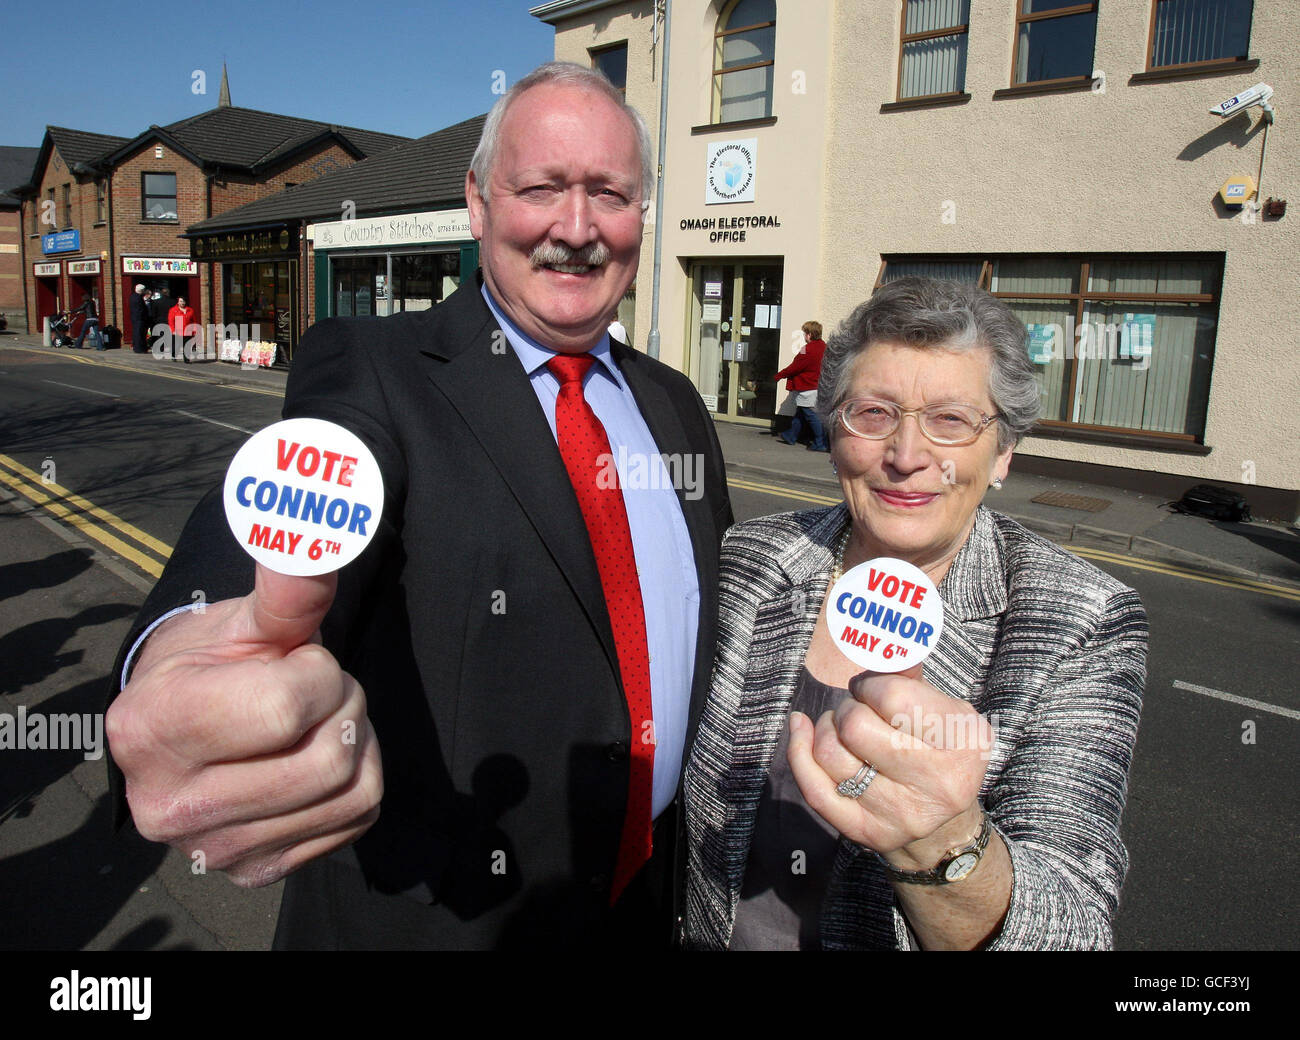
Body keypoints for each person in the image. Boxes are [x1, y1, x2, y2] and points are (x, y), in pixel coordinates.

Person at [105, 62, 733, 950]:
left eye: (611, 193)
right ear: (478, 204)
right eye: (542, 188)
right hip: (440, 926)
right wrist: (180, 648)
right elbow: (304, 484)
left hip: (645, 908)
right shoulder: (372, 369)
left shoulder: (674, 405)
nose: (579, 228)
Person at [683, 277, 1148, 950]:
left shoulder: (1081, 620)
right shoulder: (753, 556)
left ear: (1004, 453)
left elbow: (1072, 929)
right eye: (873, 414)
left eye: (952, 421)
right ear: (836, 431)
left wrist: (946, 844)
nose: (906, 456)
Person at [774, 321, 828, 451]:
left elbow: (795, 367)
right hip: (817, 385)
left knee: (810, 414)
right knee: (801, 413)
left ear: (809, 334)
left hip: (807, 387)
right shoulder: (824, 346)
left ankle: (820, 443)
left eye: (804, 333)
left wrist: (779, 375)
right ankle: (790, 436)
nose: (804, 335)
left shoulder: (807, 349)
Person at [167, 296, 197, 362]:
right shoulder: (173, 310)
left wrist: (194, 330)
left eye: (183, 301)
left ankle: (186, 359)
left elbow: (194, 321)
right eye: (180, 301)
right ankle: (174, 356)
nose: (182, 303)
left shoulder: (190, 310)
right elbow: (171, 321)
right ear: (178, 302)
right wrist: (173, 330)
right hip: (178, 330)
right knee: (176, 345)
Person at [129, 284, 150, 353]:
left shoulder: (132, 296)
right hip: (139, 319)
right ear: (141, 290)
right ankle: (139, 349)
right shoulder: (139, 298)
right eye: (143, 290)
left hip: (134, 318)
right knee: (139, 334)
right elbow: (141, 309)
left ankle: (136, 347)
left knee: (136, 333)